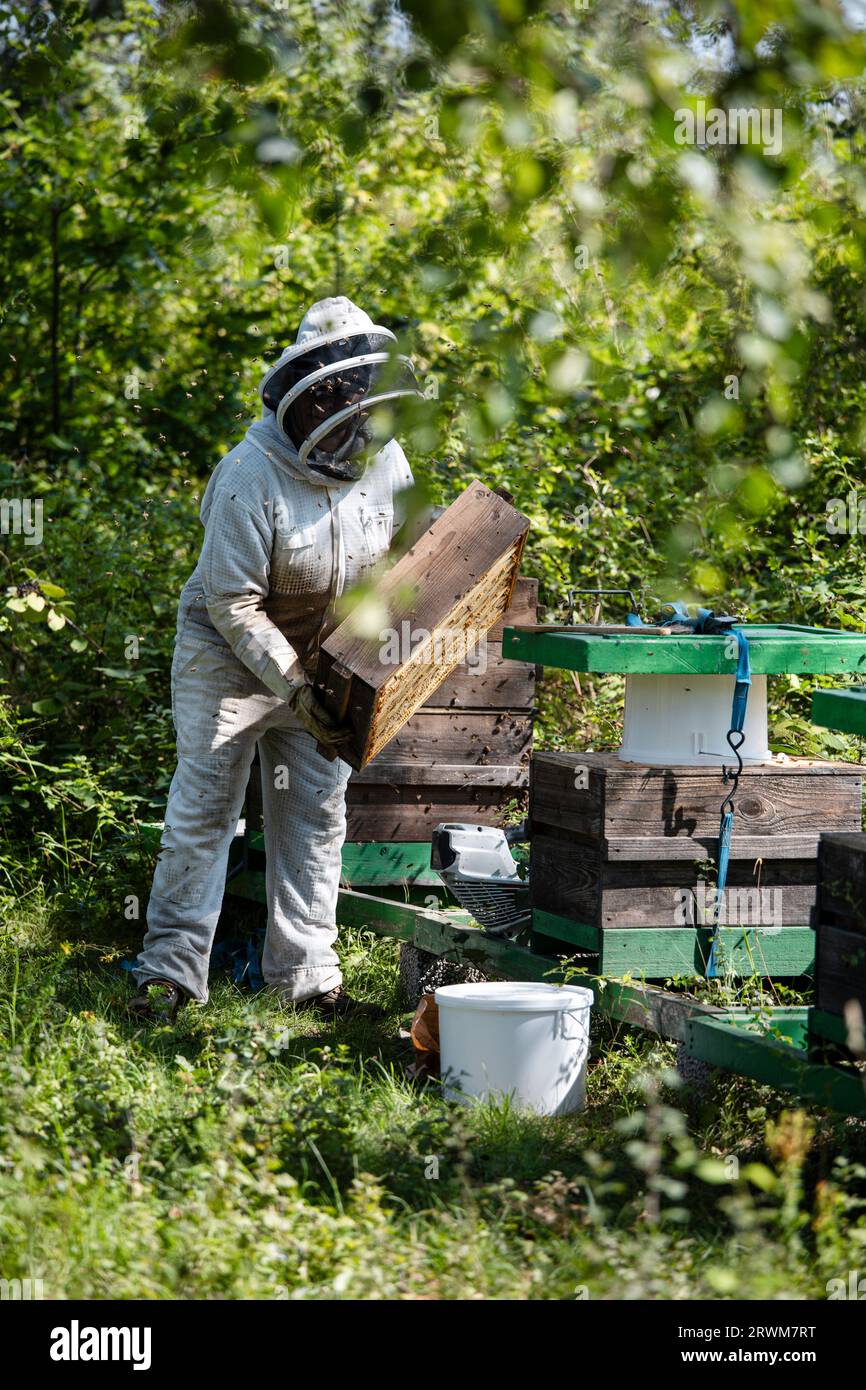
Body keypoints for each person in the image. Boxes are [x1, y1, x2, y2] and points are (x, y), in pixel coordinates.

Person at [129, 296, 422, 1023]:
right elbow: (233, 604)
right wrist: (291, 689)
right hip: (226, 658)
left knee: (316, 813)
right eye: (334, 400)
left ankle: (307, 981)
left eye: (358, 403)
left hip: (322, 656)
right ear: (307, 393)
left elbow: (410, 558)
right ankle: (168, 977)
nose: (349, 419)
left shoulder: (387, 462)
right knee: (206, 809)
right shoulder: (247, 475)